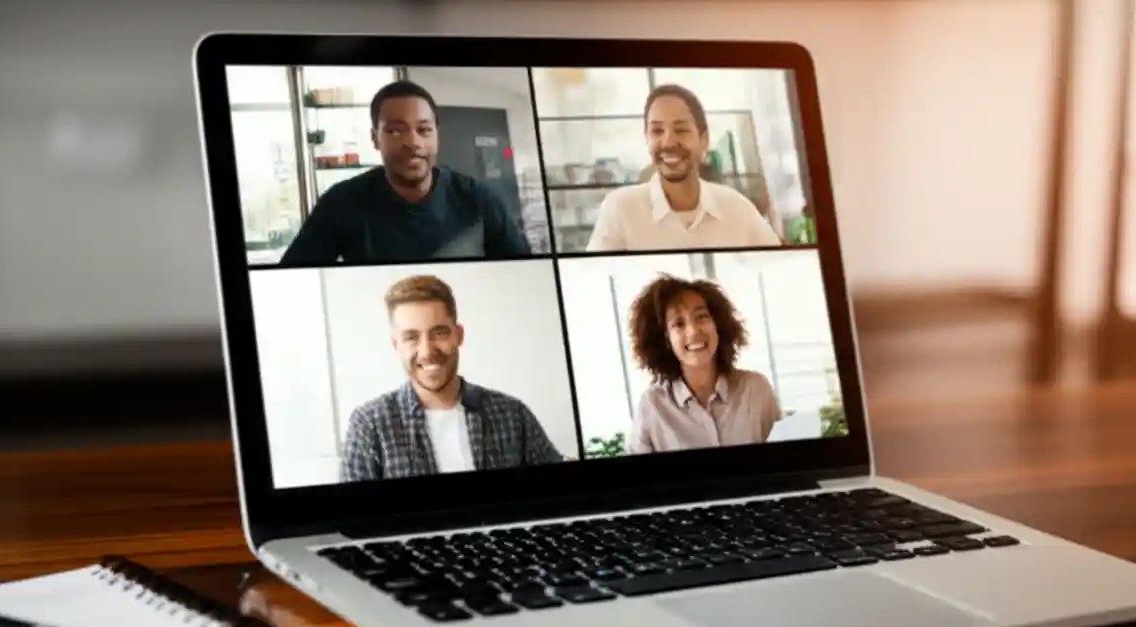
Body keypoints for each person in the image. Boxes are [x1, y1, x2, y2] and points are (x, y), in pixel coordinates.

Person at [279, 81, 531, 265]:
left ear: (437, 135)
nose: (413, 143)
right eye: (395, 131)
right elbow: (295, 276)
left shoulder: (478, 199)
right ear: (375, 138)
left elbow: (524, 274)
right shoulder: (341, 202)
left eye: (424, 130)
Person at [341, 275, 564, 481]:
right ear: (396, 345)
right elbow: (354, 517)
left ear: (459, 335)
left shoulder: (514, 415)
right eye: (411, 337)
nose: (427, 351)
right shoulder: (369, 425)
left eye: (439, 333)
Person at [585, 84, 783, 252]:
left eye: (681, 130)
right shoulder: (620, 208)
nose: (668, 141)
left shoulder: (737, 207)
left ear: (704, 141)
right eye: (657, 131)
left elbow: (778, 262)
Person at [625, 274, 783, 454]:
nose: (693, 331)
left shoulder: (756, 389)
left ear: (718, 325)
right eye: (678, 324)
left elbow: (784, 466)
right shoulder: (652, 407)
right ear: (666, 340)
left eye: (701, 317)